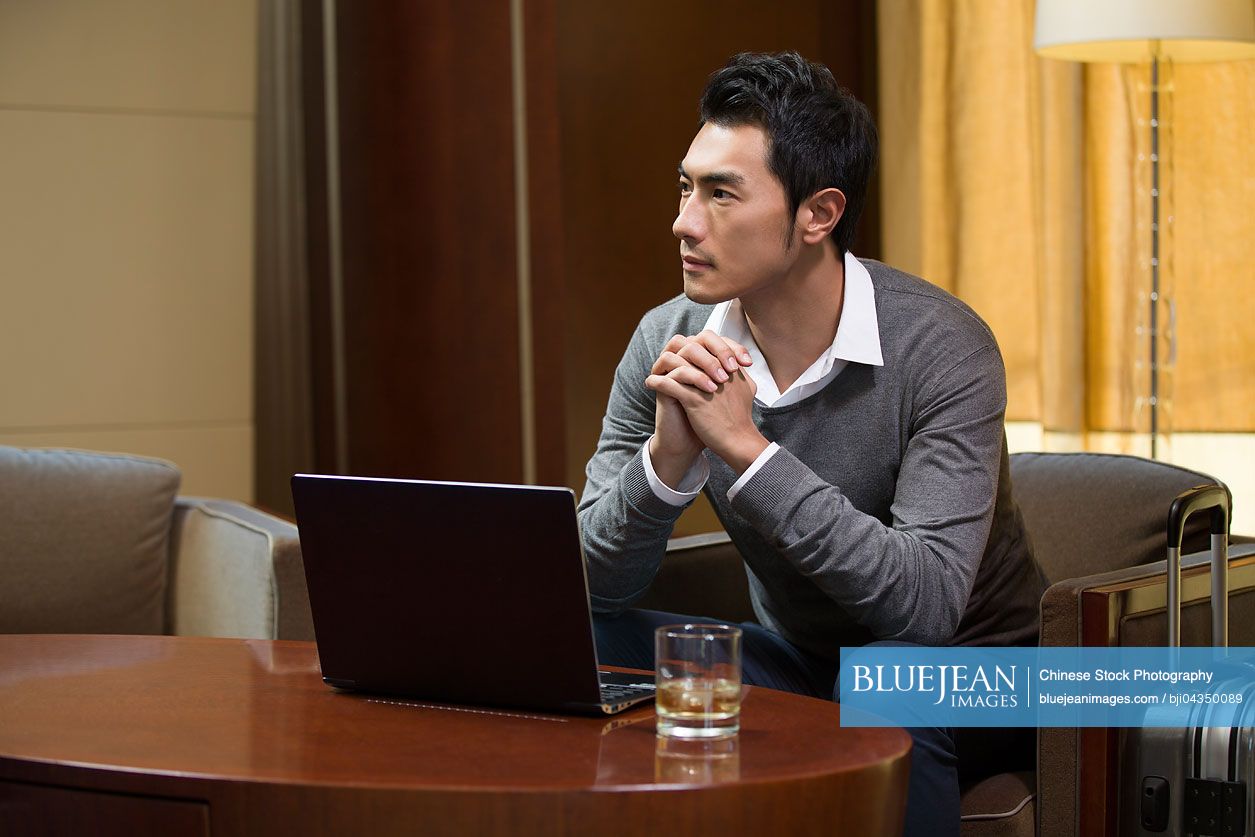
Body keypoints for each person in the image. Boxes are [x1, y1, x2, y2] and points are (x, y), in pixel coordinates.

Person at [576, 51, 1047, 836]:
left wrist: (748, 452)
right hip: (806, 663)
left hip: (987, 673)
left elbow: (924, 607)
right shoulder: (667, 338)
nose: (685, 221)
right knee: (577, 639)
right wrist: (662, 468)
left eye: (722, 194)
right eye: (687, 187)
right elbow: (596, 584)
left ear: (817, 214)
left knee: (892, 675)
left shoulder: (941, 345)